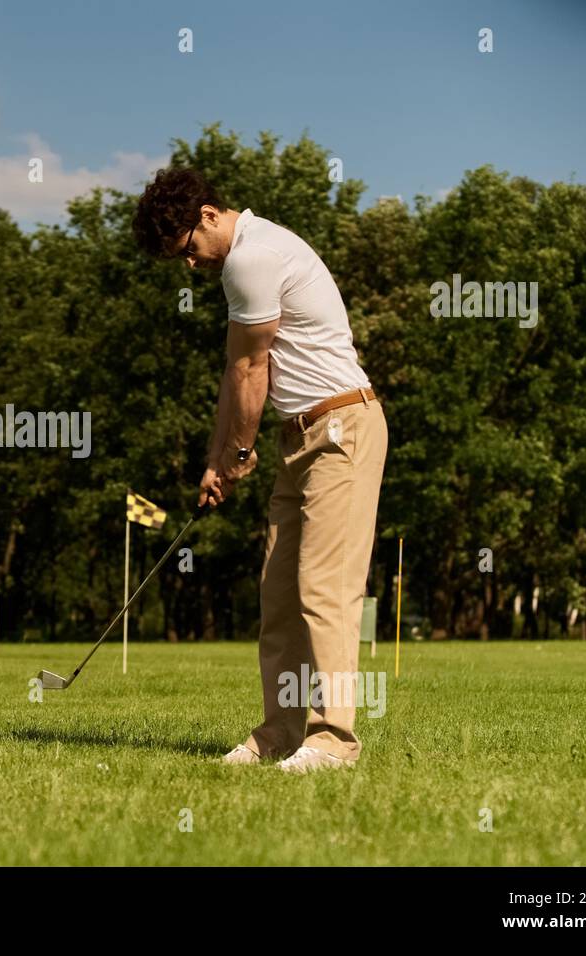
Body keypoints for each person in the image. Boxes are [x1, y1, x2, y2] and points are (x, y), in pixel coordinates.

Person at [132, 168, 388, 774]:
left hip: (341, 430)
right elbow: (235, 371)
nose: (190, 266)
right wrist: (216, 460)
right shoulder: (245, 258)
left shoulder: (253, 256)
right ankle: (279, 733)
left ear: (208, 214)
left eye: (188, 250)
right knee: (279, 594)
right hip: (298, 438)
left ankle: (333, 740)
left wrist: (240, 455)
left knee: (324, 588)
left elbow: (253, 372)